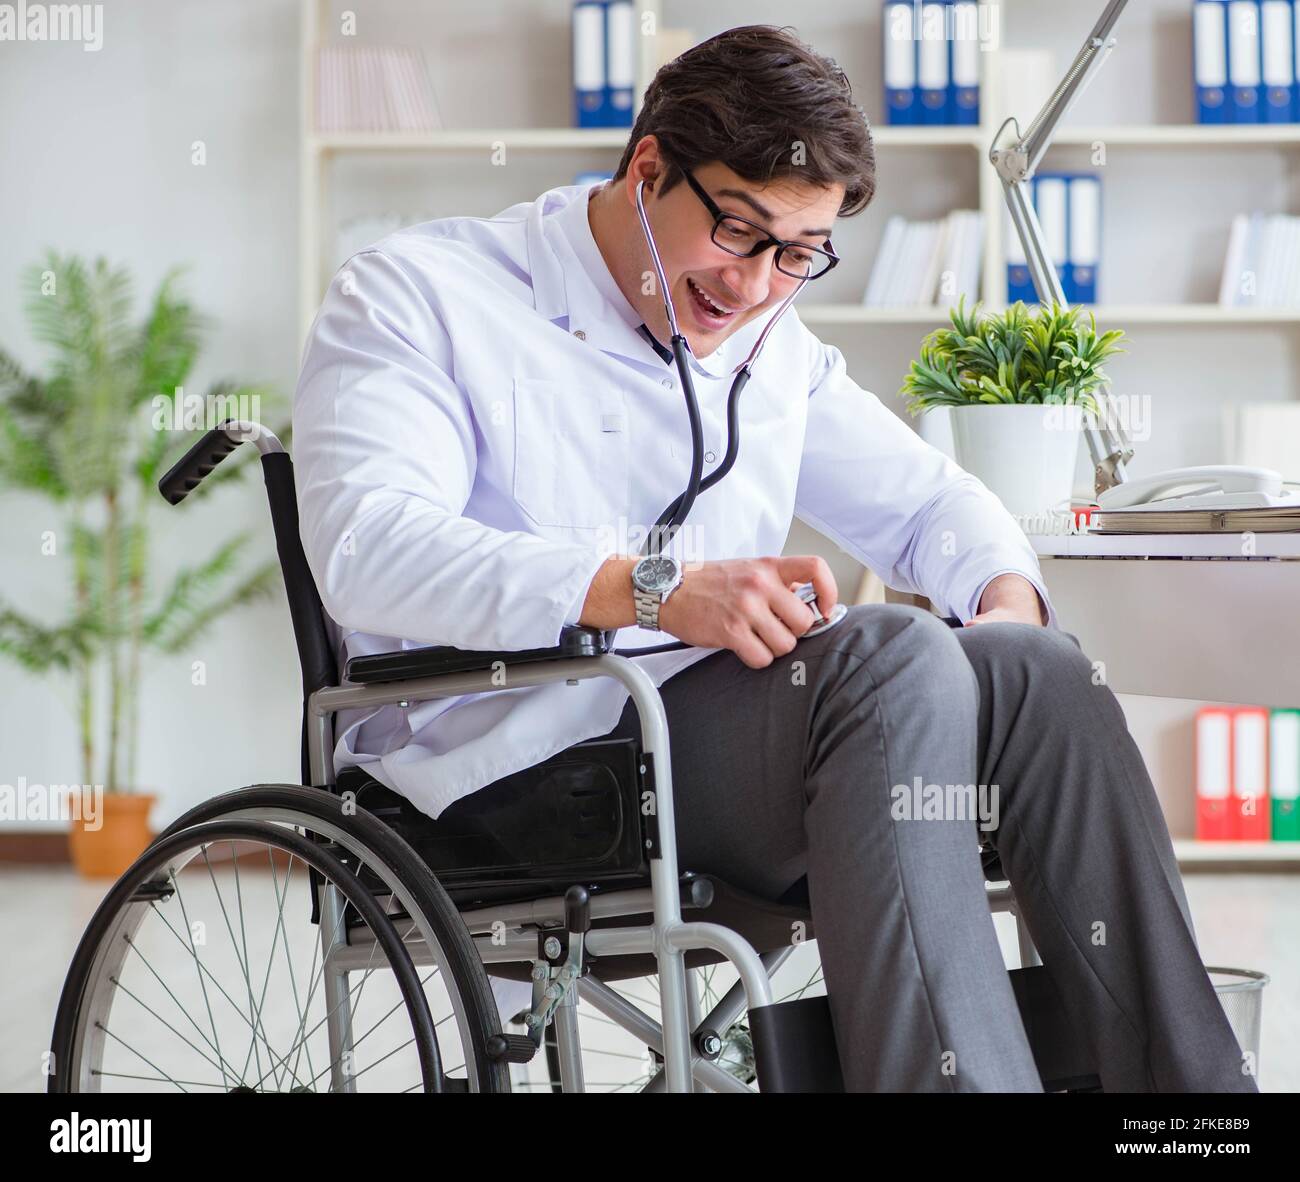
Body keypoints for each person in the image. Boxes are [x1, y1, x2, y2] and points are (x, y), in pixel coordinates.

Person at [292, 24, 1256, 1092]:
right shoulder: (420, 292)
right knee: (884, 660)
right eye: (740, 234)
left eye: (798, 255)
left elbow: (931, 499)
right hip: (506, 764)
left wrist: (1003, 596)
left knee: (1038, 673)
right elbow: (368, 544)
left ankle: (1195, 1106)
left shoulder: (767, 345)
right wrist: (653, 591)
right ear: (648, 164)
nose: (754, 288)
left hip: (700, 751)